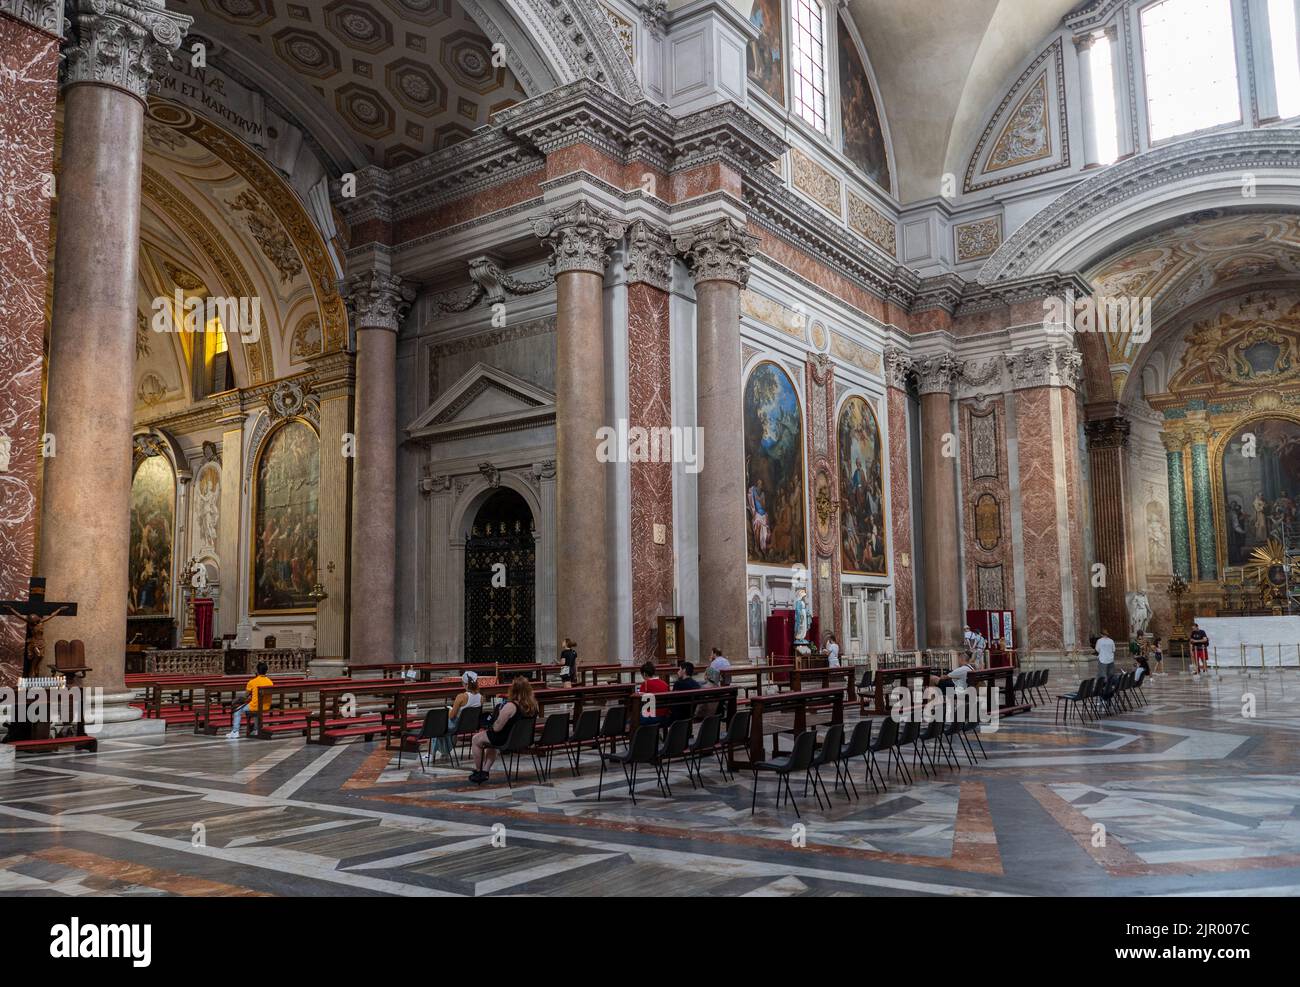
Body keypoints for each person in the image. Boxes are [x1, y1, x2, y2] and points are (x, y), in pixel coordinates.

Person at [469, 675, 537, 784]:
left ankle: (479, 771)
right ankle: (485, 771)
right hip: (522, 739)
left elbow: (497, 728)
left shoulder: (511, 706)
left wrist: (497, 715)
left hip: (506, 740)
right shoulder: (533, 706)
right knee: (488, 738)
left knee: (476, 739)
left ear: (513, 689)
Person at [434, 670, 483, 760]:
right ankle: (445, 750)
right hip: (472, 725)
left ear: (465, 684)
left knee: (437, 724)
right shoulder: (481, 697)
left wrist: (449, 709)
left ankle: (437, 752)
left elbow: (452, 716)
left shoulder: (461, 697)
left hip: (458, 726)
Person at [227, 662, 272, 739]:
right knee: (257, 711)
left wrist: (238, 700)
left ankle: (235, 731)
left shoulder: (252, 682)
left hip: (255, 706)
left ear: (257, 671)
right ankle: (256, 729)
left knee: (237, 710)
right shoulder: (270, 682)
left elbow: (245, 696)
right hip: (266, 706)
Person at [637, 659, 672, 727]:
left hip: (651, 717)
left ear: (644, 674)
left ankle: (643, 736)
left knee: (633, 719)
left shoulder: (645, 684)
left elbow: (640, 701)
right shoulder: (664, 683)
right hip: (664, 716)